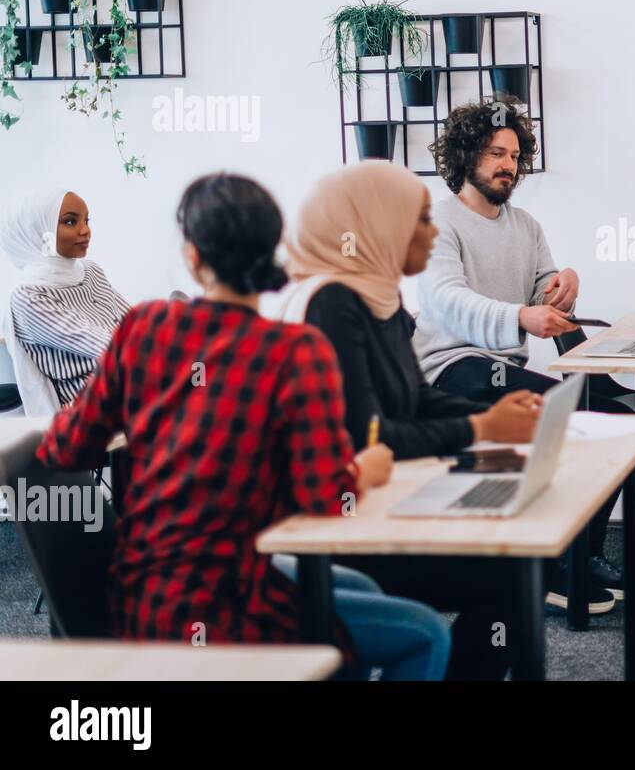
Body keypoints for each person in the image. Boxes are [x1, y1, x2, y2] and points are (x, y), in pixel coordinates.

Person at [35, 173, 450, 680]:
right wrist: (366, 468)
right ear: (273, 251)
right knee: (426, 632)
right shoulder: (295, 351)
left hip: (140, 590)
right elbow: (324, 498)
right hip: (226, 600)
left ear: (193, 257)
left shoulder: (142, 328)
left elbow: (65, 451)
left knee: (360, 588)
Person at [268, 159, 539, 679]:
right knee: (510, 576)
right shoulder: (331, 304)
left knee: (520, 568)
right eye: (420, 220)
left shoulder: (382, 297)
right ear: (376, 226)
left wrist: (503, 415)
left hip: (375, 507)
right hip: (332, 531)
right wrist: (484, 429)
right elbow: (371, 436)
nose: (434, 232)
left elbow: (417, 398)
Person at [414, 99, 635, 612]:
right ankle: (554, 567)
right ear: (465, 157)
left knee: (615, 417)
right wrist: (521, 318)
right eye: (495, 153)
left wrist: (563, 283)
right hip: (452, 369)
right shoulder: (439, 223)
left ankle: (578, 557)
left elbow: (540, 288)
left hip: (503, 368)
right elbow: (449, 301)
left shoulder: (524, 224)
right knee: (569, 415)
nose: (508, 164)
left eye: (514, 154)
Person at [0, 188, 128, 416]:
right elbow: (104, 345)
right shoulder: (28, 296)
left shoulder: (90, 271)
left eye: (86, 220)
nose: (85, 230)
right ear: (37, 231)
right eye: (70, 221)